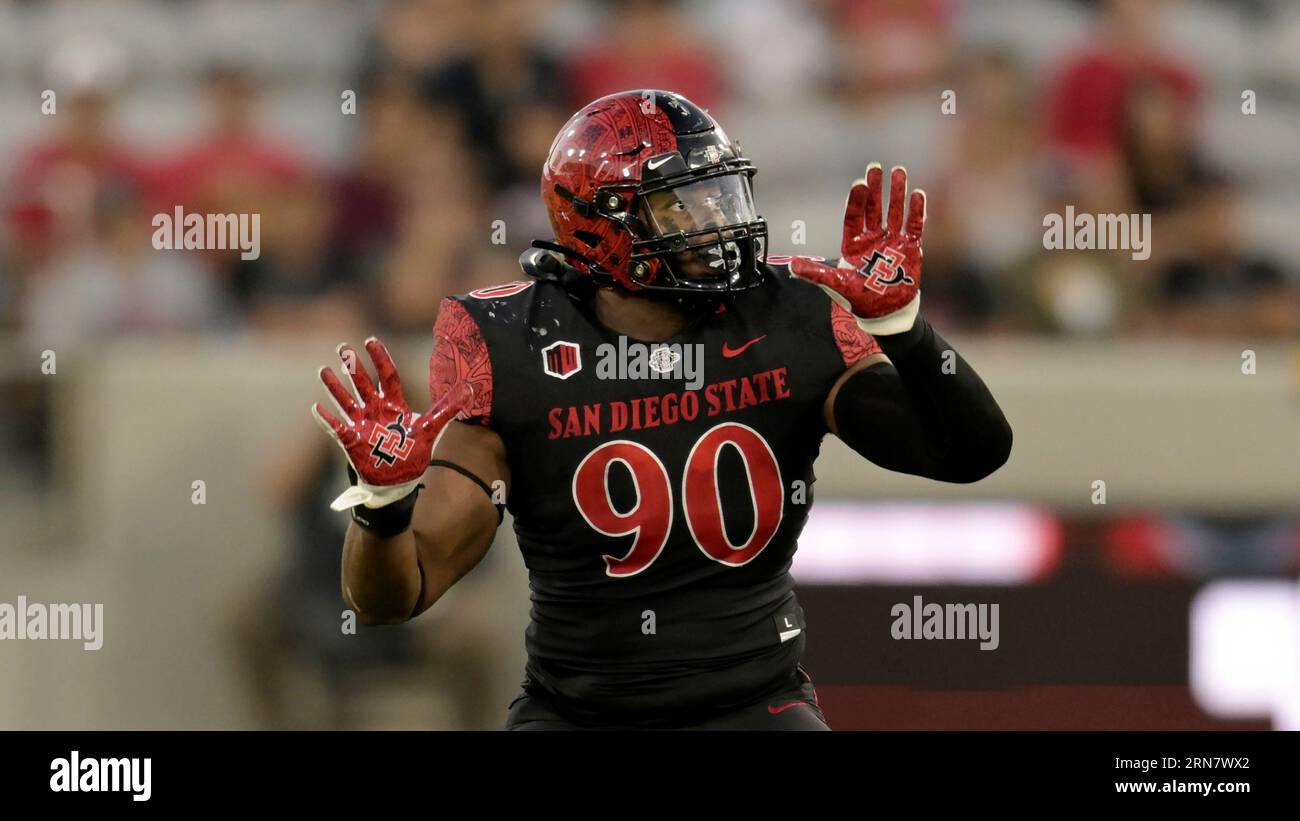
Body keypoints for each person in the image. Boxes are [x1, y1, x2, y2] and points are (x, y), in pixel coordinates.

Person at [311, 90, 1012, 730]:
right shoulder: (514, 344)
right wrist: (384, 507)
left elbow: (971, 452)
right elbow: (393, 596)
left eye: (720, 194)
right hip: (580, 712)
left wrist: (908, 333)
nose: (717, 222)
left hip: (753, 702)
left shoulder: (784, 312)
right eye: (684, 204)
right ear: (599, 225)